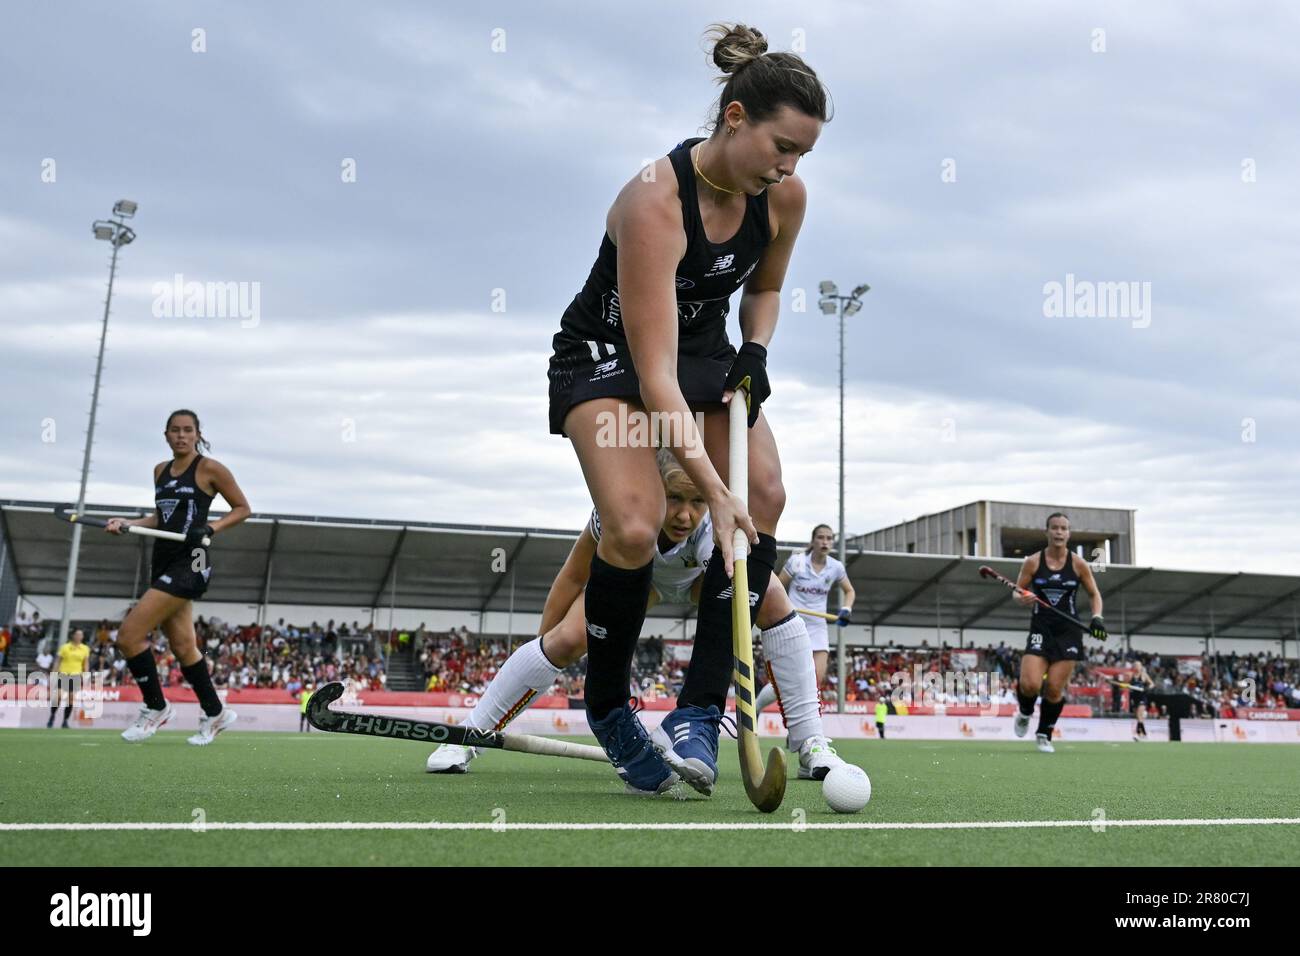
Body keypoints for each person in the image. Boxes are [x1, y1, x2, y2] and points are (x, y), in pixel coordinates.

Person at [543, 22, 829, 795]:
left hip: (700, 355)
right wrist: (710, 490)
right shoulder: (654, 205)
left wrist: (758, 350)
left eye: (801, 154)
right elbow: (654, 381)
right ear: (735, 118)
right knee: (634, 525)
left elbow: (763, 288)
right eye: (781, 147)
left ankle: (699, 711)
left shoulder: (784, 197)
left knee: (766, 496)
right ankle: (608, 707)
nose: (790, 166)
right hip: (608, 360)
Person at [426, 450, 847, 788]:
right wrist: (549, 641)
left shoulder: (706, 528)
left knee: (771, 594)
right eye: (675, 499)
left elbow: (732, 581)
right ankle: (468, 734)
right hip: (638, 581)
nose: (685, 515)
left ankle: (810, 741)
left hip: (702, 580)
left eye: (697, 500)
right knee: (567, 638)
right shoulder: (619, 509)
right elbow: (573, 576)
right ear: (653, 489)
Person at [106, 409, 251, 745]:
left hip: (194, 561)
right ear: (166, 435)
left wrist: (211, 527)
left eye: (188, 430)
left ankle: (156, 707)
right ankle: (216, 712)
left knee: (128, 636)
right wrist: (128, 524)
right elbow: (162, 516)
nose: (181, 436)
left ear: (198, 434)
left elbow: (243, 508)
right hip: (164, 559)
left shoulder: (211, 469)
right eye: (175, 430)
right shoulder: (160, 471)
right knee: (184, 647)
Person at [1011, 513, 1107, 753]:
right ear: (1047, 532)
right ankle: (1024, 712)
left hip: (1069, 631)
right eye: (1054, 528)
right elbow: (1016, 591)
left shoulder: (1078, 564)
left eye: (1063, 528)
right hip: (1041, 628)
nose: (1059, 532)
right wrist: (1023, 597)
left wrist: (1097, 618)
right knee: (1030, 683)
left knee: (1054, 688)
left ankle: (1044, 733)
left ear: (1069, 533)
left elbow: (1094, 594)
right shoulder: (1033, 562)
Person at [774, 523, 856, 692]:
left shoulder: (836, 567)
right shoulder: (797, 562)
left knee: (816, 680)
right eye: (820, 537)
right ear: (813, 541)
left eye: (829, 538)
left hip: (818, 626)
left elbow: (850, 591)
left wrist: (846, 609)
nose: (825, 542)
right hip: (794, 624)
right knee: (791, 681)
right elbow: (776, 588)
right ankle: (759, 706)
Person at [48, 628, 90, 728]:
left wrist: (86, 675)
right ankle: (52, 715)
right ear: (73, 636)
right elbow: (58, 661)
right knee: (58, 697)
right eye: (78, 634)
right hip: (63, 674)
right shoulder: (65, 647)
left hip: (76, 676)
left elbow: (86, 663)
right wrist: (54, 673)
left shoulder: (85, 648)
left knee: (71, 699)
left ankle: (65, 721)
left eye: (81, 635)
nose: (80, 637)